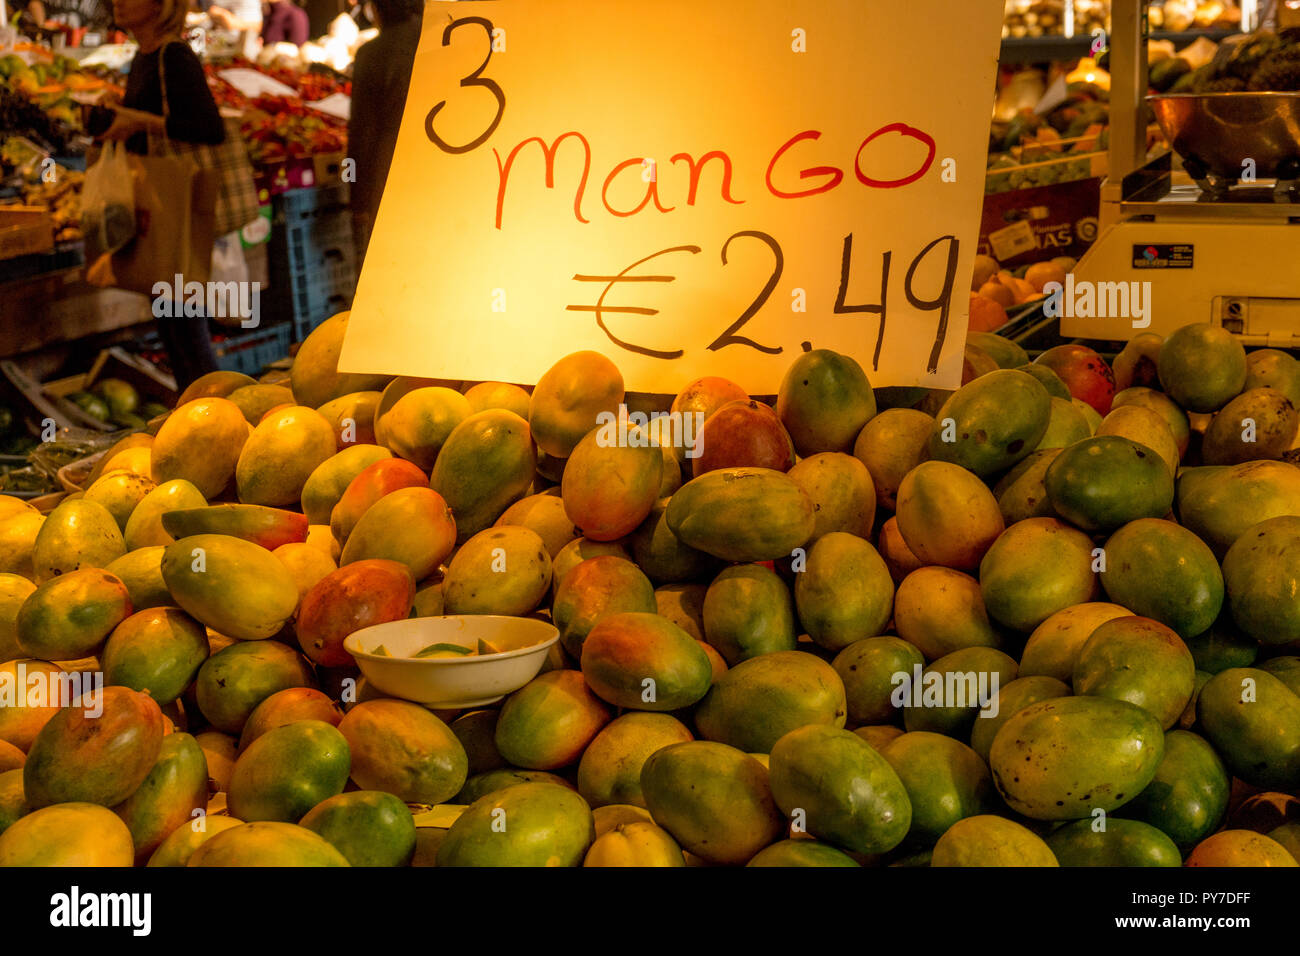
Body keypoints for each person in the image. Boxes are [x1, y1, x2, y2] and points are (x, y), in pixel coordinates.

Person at [100, 0, 224, 387]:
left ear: (160, 4)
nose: (118, 2)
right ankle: (198, 407)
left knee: (184, 323)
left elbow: (208, 127)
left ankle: (215, 412)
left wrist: (137, 120)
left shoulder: (175, 54)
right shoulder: (143, 56)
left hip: (177, 205)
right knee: (172, 322)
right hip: (155, 206)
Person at [347, 0, 421, 263]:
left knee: (397, 260)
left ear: (377, 8)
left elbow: (360, 132)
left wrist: (356, 200)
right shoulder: (442, 40)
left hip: (389, 169)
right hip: (444, 161)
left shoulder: (371, 54)